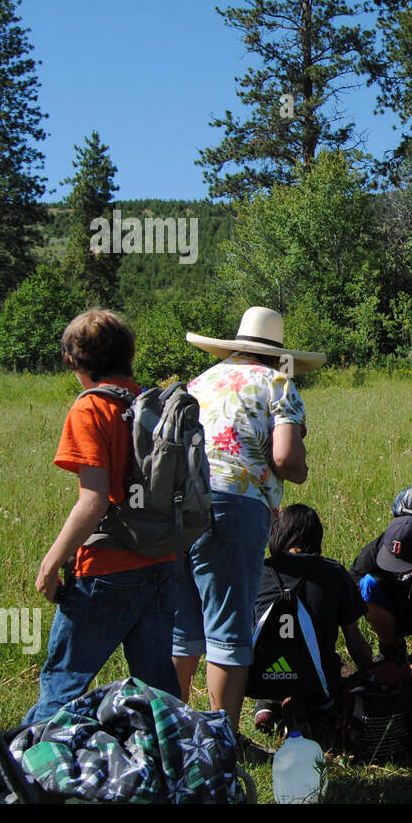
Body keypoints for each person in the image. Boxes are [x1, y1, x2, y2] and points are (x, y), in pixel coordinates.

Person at [24, 310, 181, 725]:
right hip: (162, 562)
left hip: (106, 570)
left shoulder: (91, 408)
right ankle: (177, 772)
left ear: (77, 361)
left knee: (63, 685)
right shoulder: (154, 404)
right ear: (128, 355)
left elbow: (93, 501)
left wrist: (52, 561)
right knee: (157, 692)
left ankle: (29, 774)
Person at [173, 306, 326, 729]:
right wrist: (302, 467)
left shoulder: (201, 381)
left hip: (180, 503)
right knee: (228, 626)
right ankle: (221, 741)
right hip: (236, 506)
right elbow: (284, 457)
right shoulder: (279, 383)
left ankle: (172, 735)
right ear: (278, 353)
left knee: (183, 626)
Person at [252, 505, 375, 733]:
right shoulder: (334, 572)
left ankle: (268, 704)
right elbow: (355, 643)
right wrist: (372, 673)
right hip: (317, 680)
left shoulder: (259, 572)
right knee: (330, 667)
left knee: (277, 660)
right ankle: (308, 706)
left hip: (264, 677)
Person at [348, 516, 412, 664]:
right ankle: (391, 650)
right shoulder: (375, 549)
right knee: (367, 584)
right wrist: (352, 635)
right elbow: (349, 586)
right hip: (391, 605)